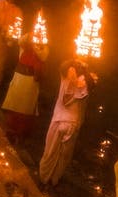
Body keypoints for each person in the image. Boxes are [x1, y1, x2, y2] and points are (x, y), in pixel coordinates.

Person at [38, 58, 95, 188]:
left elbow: (63, 65)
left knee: (50, 151)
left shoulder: (65, 76)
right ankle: (54, 180)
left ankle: (44, 178)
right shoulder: (89, 81)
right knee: (64, 155)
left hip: (59, 119)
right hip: (73, 122)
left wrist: (74, 60)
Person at [0, 33, 48, 143]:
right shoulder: (24, 47)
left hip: (31, 82)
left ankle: (20, 134)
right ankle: (9, 130)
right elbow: (21, 40)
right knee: (14, 104)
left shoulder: (43, 48)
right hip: (19, 78)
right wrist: (32, 34)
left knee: (25, 109)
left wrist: (38, 43)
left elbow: (43, 56)